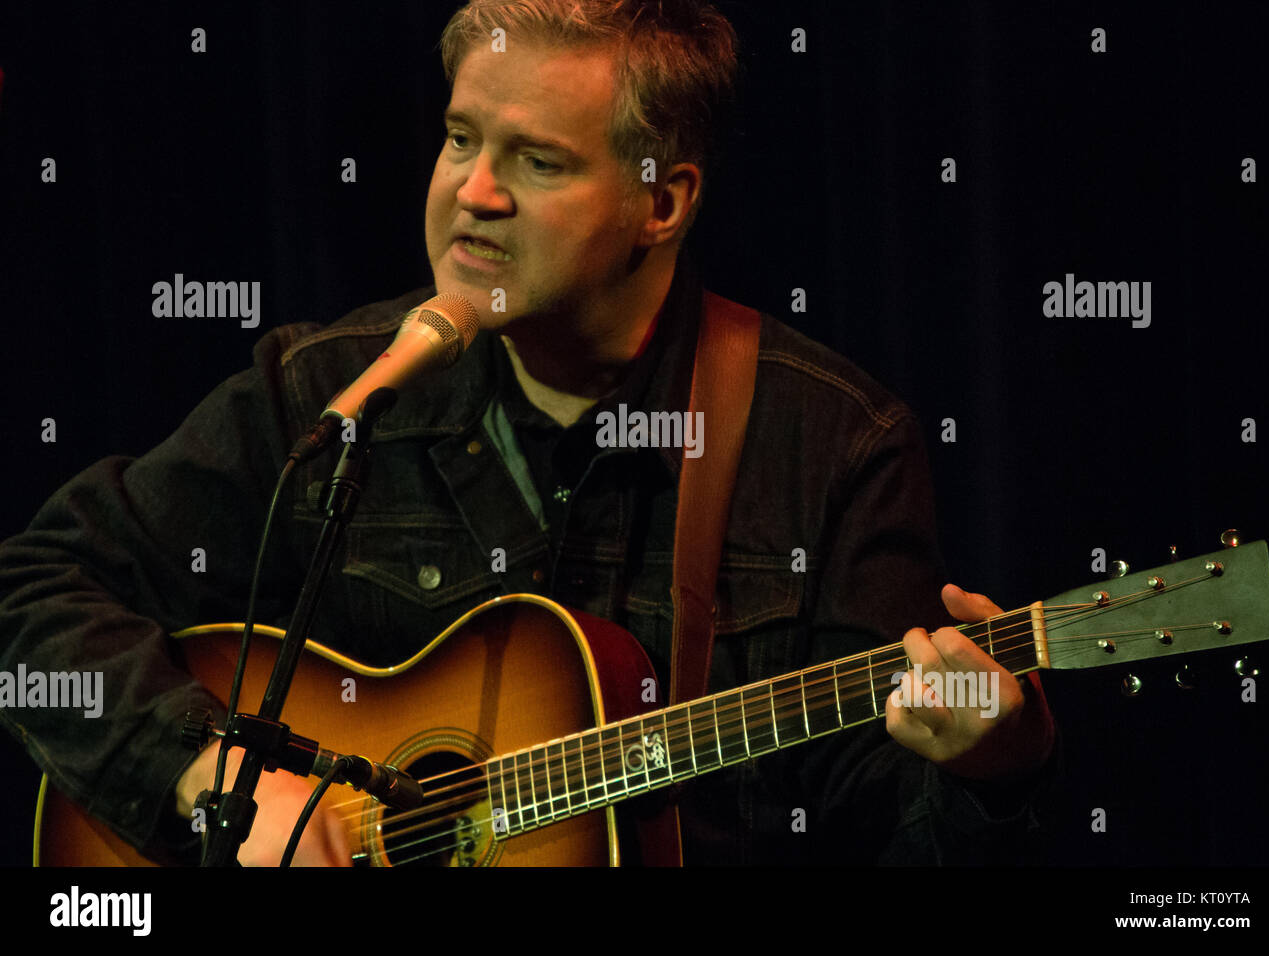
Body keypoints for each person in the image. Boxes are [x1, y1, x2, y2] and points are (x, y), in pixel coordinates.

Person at [0, 0, 1057, 866]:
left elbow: (888, 835)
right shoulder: (325, 390)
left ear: (662, 201)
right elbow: (31, 592)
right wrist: (208, 771)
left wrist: (989, 770)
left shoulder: (830, 444)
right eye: (461, 139)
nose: (473, 192)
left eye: (538, 162)